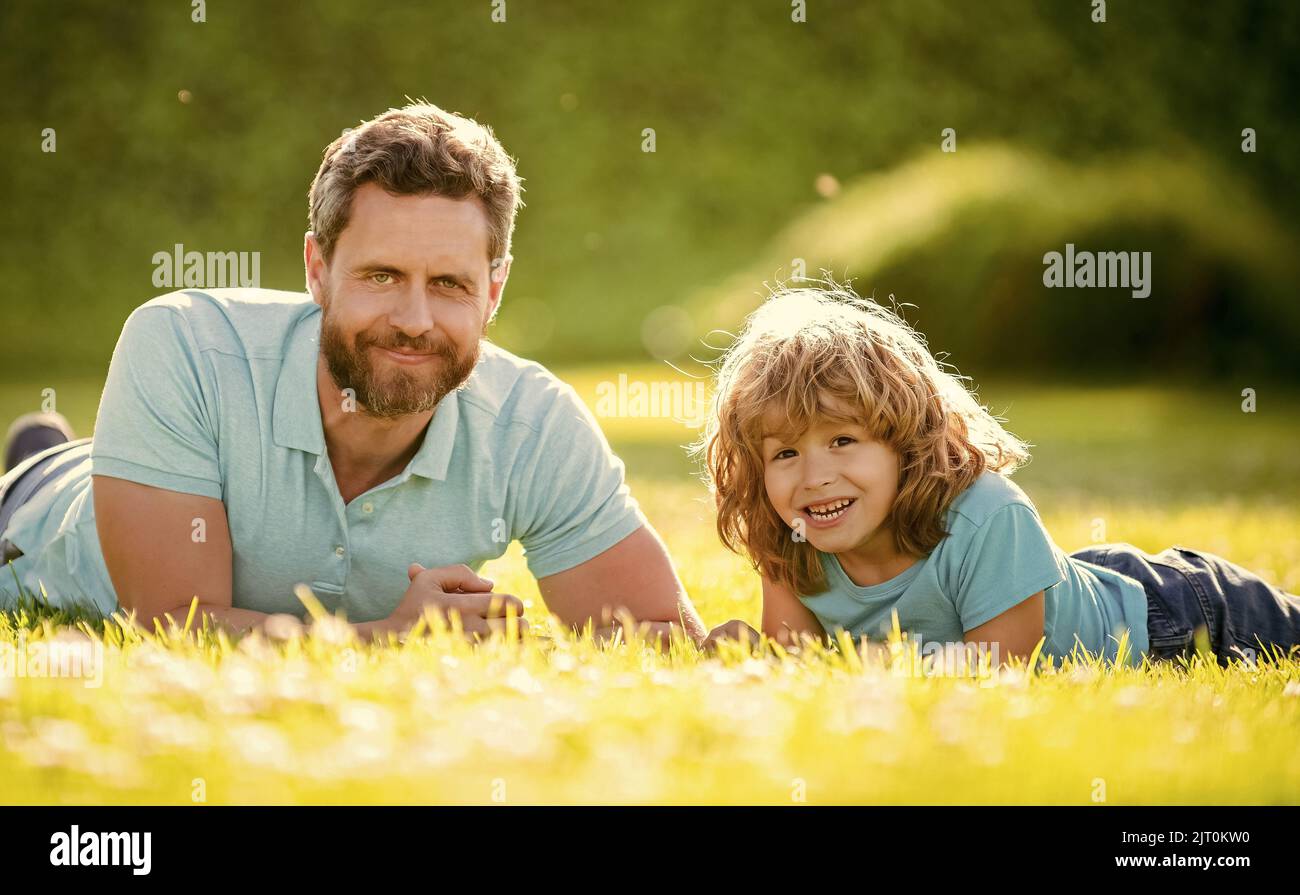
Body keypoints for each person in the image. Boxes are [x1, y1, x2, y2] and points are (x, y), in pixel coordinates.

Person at [0, 101, 704, 646]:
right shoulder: (181, 342)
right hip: (31, 518)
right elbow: (171, 627)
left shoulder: (533, 422)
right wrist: (385, 640)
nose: (415, 319)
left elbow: (657, 636)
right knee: (51, 478)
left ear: (494, 291)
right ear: (316, 267)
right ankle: (40, 454)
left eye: (450, 285)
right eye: (382, 275)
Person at [696, 282, 1300, 669]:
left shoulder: (985, 515)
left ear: (904, 441)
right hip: (1062, 586)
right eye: (785, 454)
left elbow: (1003, 665)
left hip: (1180, 615)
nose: (815, 476)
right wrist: (752, 656)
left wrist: (878, 664)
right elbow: (799, 663)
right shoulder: (789, 540)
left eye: (843, 441)